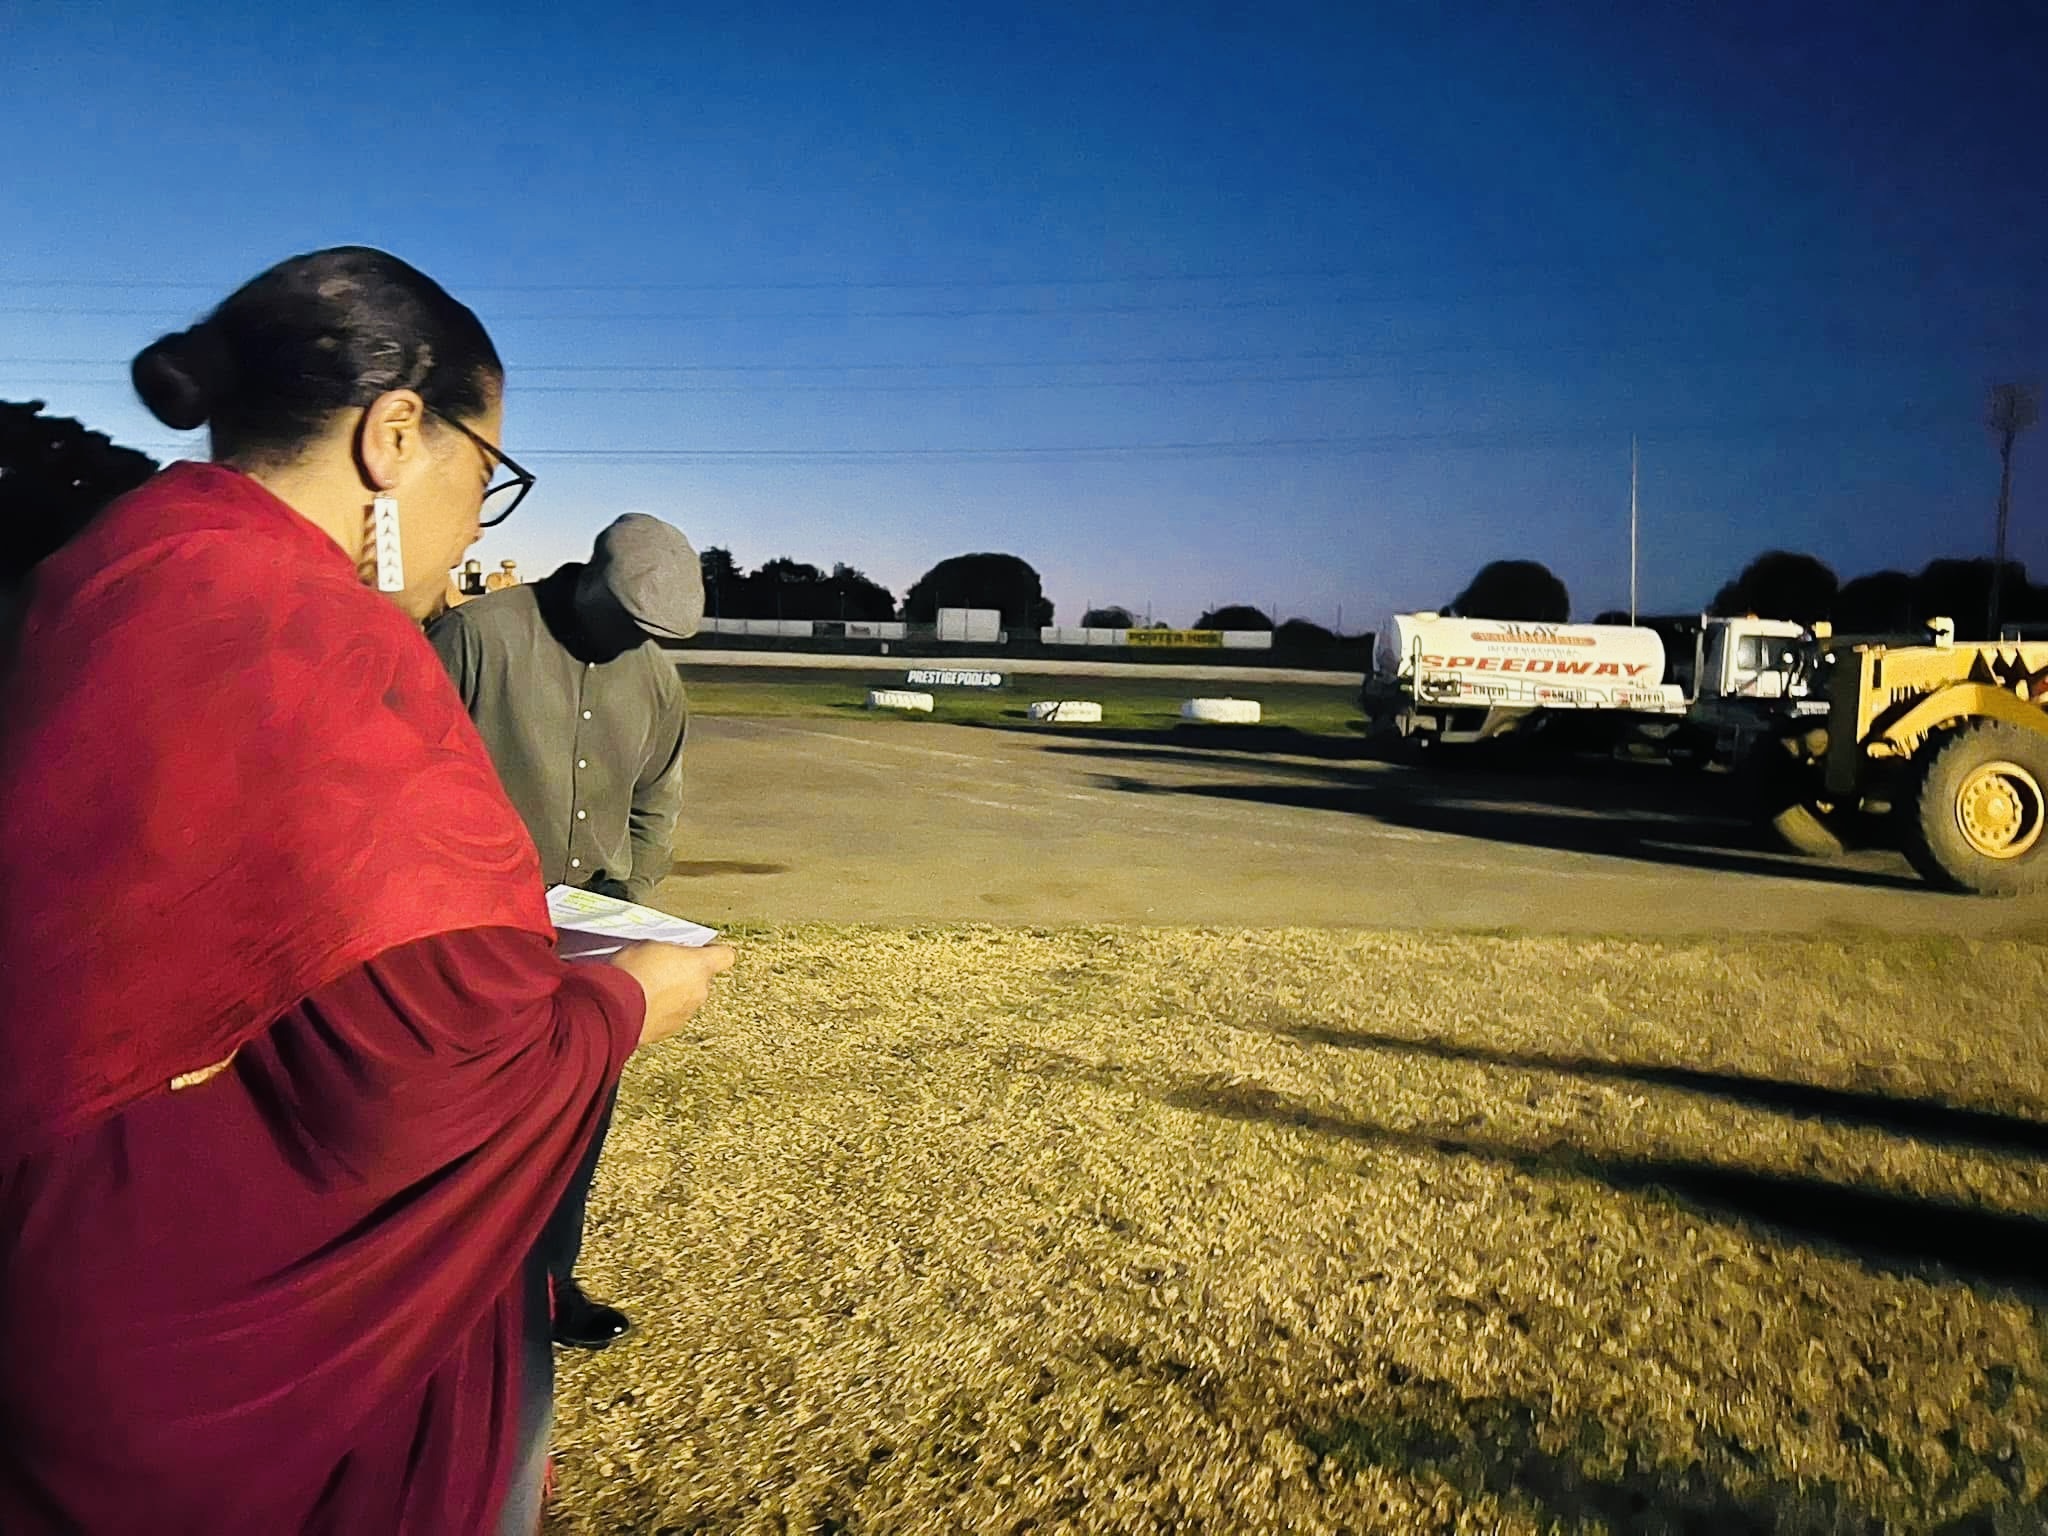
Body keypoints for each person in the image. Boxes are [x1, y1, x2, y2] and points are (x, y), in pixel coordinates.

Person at [0, 246, 735, 1536]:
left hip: (62, 1263)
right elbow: (447, 1066)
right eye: (486, 475)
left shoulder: (118, 567)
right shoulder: (316, 641)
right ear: (397, 434)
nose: (476, 524)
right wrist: (630, 1005)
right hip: (217, 1348)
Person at [430, 514, 702, 1348]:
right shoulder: (476, 636)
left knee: (576, 1113)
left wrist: (634, 894)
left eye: (652, 633)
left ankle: (548, 1284)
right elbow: (407, 765)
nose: (636, 644)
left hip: (590, 928)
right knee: (463, 1120)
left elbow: (659, 792)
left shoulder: (655, 678)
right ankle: (443, 1298)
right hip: (472, 926)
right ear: (585, 573)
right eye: (628, 622)